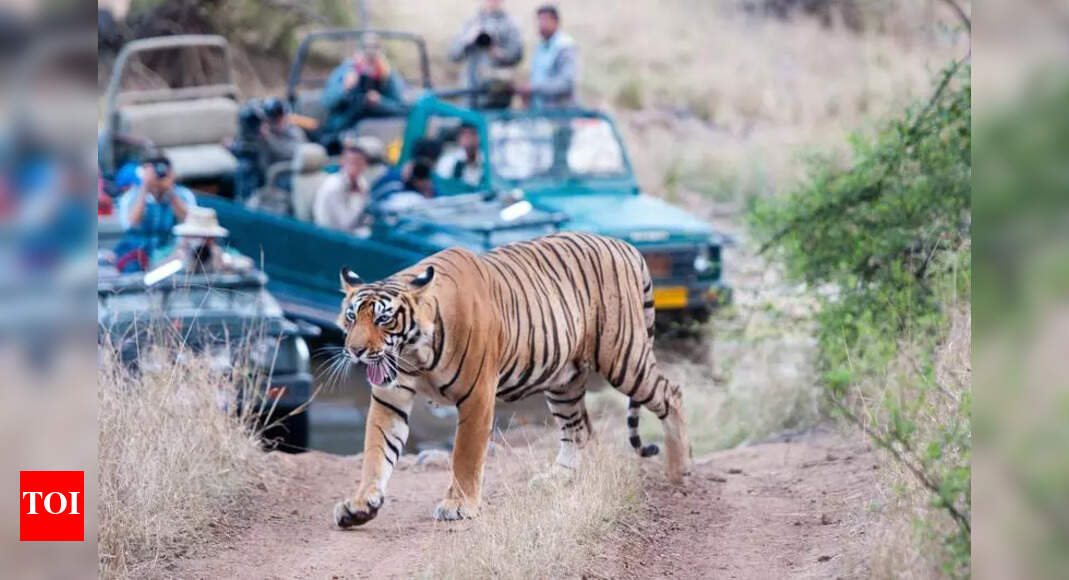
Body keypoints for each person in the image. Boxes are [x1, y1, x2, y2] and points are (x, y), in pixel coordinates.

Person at [320, 35, 407, 151]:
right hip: (342, 131)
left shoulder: (387, 76)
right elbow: (327, 102)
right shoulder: (345, 72)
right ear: (358, 53)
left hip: (375, 131)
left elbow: (401, 108)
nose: (370, 54)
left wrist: (380, 101)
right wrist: (345, 88)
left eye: (374, 49)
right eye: (366, 50)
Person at [114, 155, 196, 271]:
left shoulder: (183, 194)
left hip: (170, 252)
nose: (158, 175)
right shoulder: (131, 196)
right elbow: (131, 223)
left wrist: (170, 192)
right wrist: (145, 187)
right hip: (139, 253)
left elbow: (190, 222)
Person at [448, 0, 524, 108]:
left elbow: (517, 55)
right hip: (471, 91)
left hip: (498, 93)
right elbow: (453, 55)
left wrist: (498, 53)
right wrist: (467, 39)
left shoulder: (510, 24)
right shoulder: (471, 23)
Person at [153, 206, 253, 275]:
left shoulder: (221, 252)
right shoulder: (170, 252)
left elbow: (248, 264)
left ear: (213, 238)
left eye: (206, 237)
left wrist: (226, 262)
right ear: (185, 236)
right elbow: (151, 273)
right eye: (195, 236)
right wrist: (174, 260)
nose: (201, 242)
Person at [517, 5, 578, 108]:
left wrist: (535, 88)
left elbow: (566, 84)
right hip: (540, 110)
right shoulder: (539, 46)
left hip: (559, 111)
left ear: (556, 22)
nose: (541, 24)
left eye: (545, 20)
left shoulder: (564, 46)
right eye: (539, 20)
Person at [313, 132, 374, 232]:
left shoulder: (361, 182)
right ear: (342, 162)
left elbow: (364, 215)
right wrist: (357, 197)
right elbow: (345, 224)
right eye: (351, 162)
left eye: (358, 163)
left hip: (348, 231)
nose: (354, 167)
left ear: (365, 165)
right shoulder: (333, 186)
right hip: (328, 234)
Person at [261, 97, 307, 166]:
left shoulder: (293, 130)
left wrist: (269, 138)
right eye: (273, 120)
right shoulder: (265, 131)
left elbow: (296, 152)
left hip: (291, 167)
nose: (278, 122)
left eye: (279, 118)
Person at [435, 123, 483, 187]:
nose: (468, 138)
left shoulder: (486, 161)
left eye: (472, 134)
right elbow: (441, 185)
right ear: (458, 138)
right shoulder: (448, 160)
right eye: (464, 134)